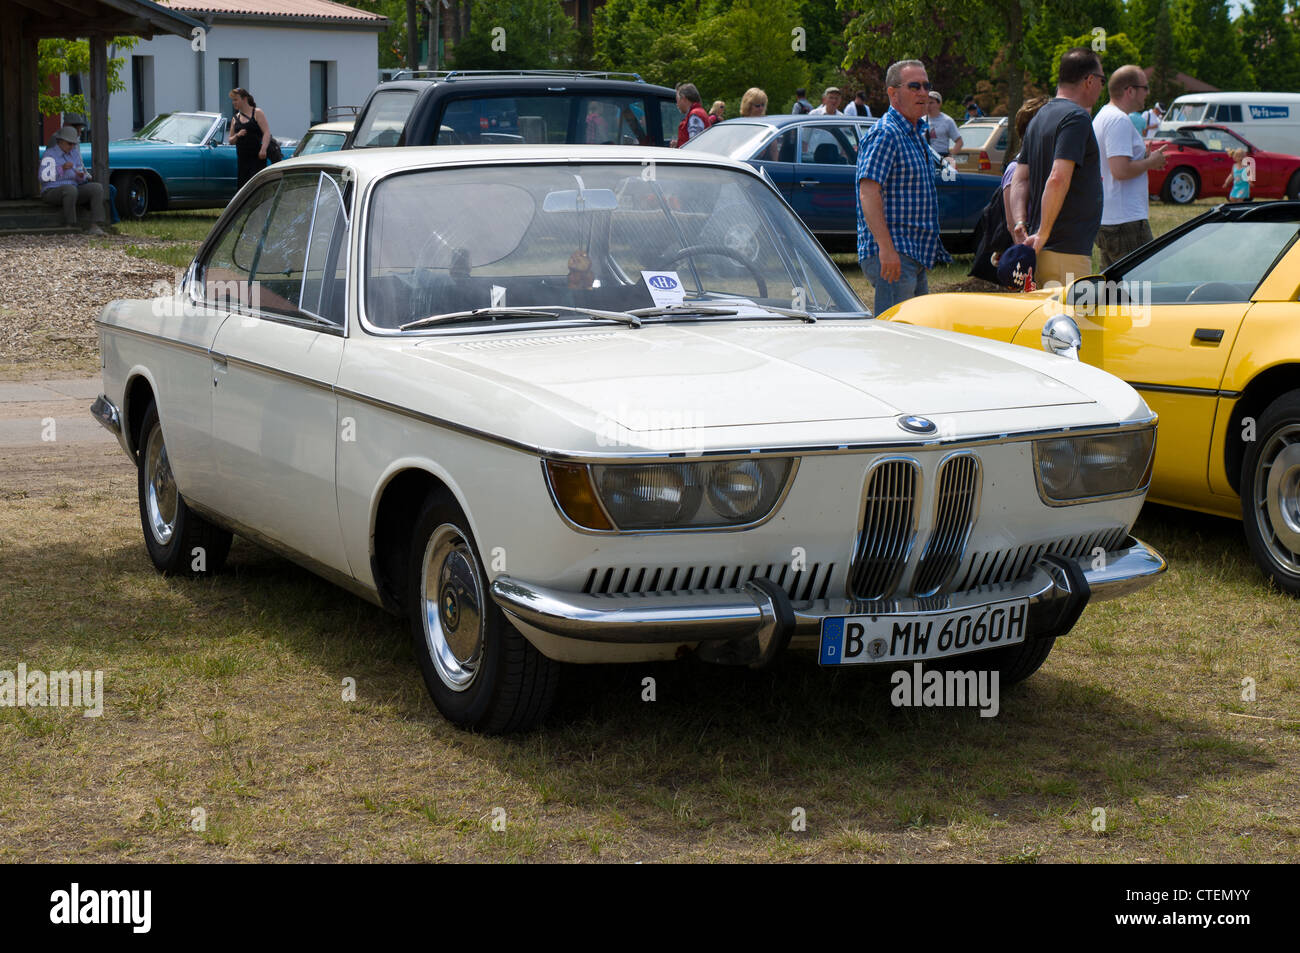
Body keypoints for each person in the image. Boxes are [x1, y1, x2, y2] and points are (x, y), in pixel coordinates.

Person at [856, 59, 951, 312]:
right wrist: (886, 250)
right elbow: (868, 192)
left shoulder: (914, 132)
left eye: (926, 86)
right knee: (896, 338)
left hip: (913, 253)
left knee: (917, 333)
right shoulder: (886, 133)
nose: (923, 93)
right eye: (914, 86)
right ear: (893, 93)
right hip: (895, 252)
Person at [1007, 47, 1105, 287]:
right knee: (1075, 323)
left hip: (1040, 253)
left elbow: (1020, 179)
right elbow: (1058, 178)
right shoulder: (1077, 117)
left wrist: (1020, 223)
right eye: (1102, 80)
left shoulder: (1039, 117)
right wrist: (1042, 233)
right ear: (1089, 80)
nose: (1103, 86)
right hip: (1066, 254)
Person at [1093, 64, 1168, 268]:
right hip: (1126, 221)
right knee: (1141, 287)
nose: (1148, 93)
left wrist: (1142, 157)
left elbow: (1112, 166)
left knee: (1112, 292)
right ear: (1130, 90)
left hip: (1109, 218)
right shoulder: (1119, 120)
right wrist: (1151, 162)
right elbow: (1120, 170)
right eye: (1145, 87)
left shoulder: (1104, 115)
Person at [40, 125, 105, 234]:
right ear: (60, 142)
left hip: (73, 188)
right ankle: (70, 225)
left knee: (96, 188)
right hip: (52, 190)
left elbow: (80, 173)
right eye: (69, 143)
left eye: (74, 144)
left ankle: (95, 225)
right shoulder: (49, 154)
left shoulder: (74, 154)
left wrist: (80, 176)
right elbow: (43, 177)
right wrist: (61, 168)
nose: (72, 146)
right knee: (70, 189)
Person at [227, 87, 271, 189]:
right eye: (232, 100)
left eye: (236, 99)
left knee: (257, 187)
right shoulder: (235, 118)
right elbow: (230, 141)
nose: (234, 103)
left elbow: (266, 132)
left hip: (257, 157)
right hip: (242, 160)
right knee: (243, 188)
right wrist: (237, 135)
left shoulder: (257, 112)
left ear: (245, 99)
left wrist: (263, 149)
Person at [672, 82, 711, 147]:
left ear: (684, 99)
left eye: (677, 100)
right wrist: (679, 144)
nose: (677, 104)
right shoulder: (698, 112)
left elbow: (694, 144)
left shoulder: (695, 115)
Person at [925, 91, 963, 156]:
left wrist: (950, 157)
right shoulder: (921, 120)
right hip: (925, 157)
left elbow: (959, 142)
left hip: (941, 156)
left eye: (931, 103)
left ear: (939, 104)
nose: (928, 105)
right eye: (926, 103)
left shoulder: (947, 121)